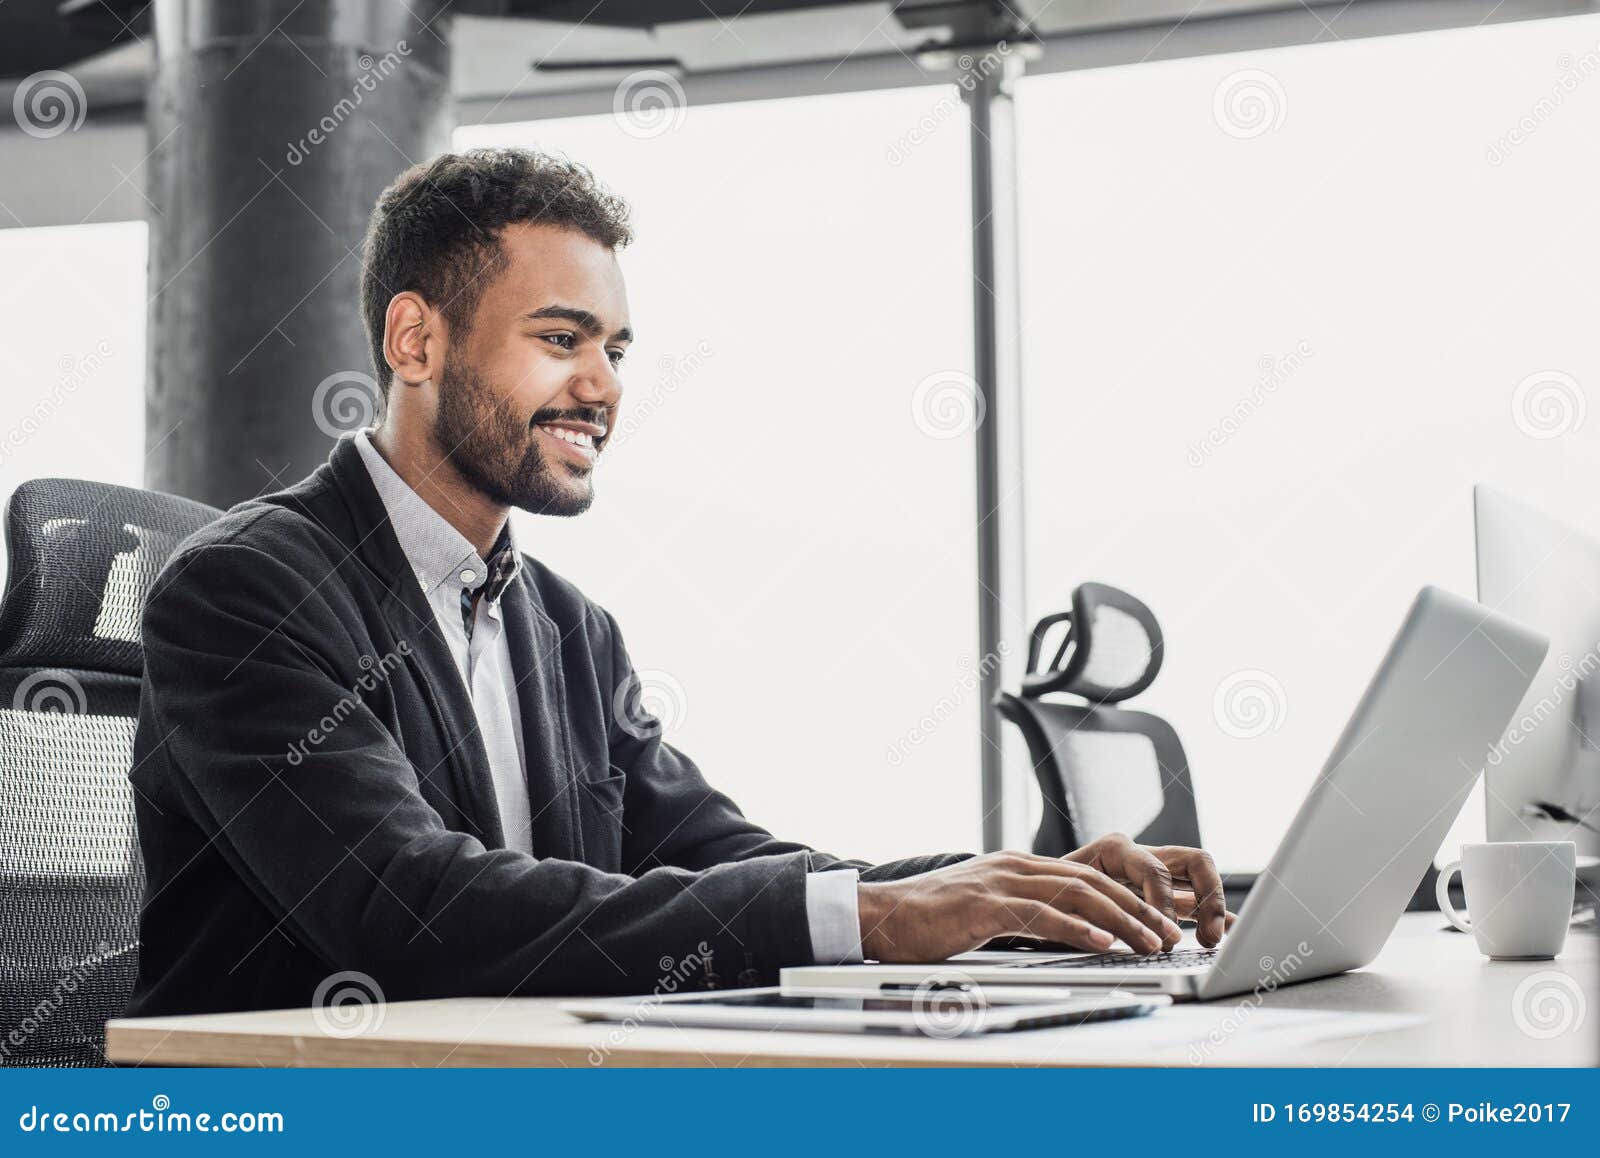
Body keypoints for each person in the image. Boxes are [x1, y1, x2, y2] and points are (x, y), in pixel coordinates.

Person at [127, 148, 1230, 1016]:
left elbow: (726, 862)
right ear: (415, 341)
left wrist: (1013, 892)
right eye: (560, 338)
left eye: (616, 347)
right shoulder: (243, 594)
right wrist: (882, 917)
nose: (602, 386)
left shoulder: (566, 629)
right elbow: (412, 909)